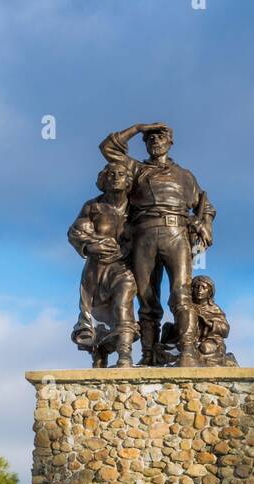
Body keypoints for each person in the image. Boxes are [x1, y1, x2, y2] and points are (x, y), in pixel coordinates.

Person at [99, 122, 215, 366]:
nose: (155, 141)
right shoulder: (137, 170)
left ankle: (187, 352)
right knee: (146, 298)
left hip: (176, 234)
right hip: (144, 235)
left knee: (181, 293)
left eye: (160, 137)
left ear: (170, 142)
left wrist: (205, 225)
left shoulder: (185, 176)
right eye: (150, 138)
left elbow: (206, 206)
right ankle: (148, 354)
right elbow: (108, 147)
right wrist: (139, 127)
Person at [67, 163, 139, 368]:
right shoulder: (93, 207)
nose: (116, 177)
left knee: (122, 303)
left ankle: (125, 355)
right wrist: (91, 246)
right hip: (96, 269)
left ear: (128, 181)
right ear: (103, 180)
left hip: (124, 267)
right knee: (96, 312)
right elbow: (75, 232)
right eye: (111, 174)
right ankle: (100, 353)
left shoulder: (137, 208)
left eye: (121, 174)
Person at [158, 275, 236, 366]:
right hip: (187, 339)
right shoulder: (187, 306)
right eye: (196, 287)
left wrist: (209, 323)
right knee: (168, 329)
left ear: (209, 292)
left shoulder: (214, 309)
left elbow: (225, 330)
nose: (199, 290)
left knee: (204, 348)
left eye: (204, 287)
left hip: (210, 340)